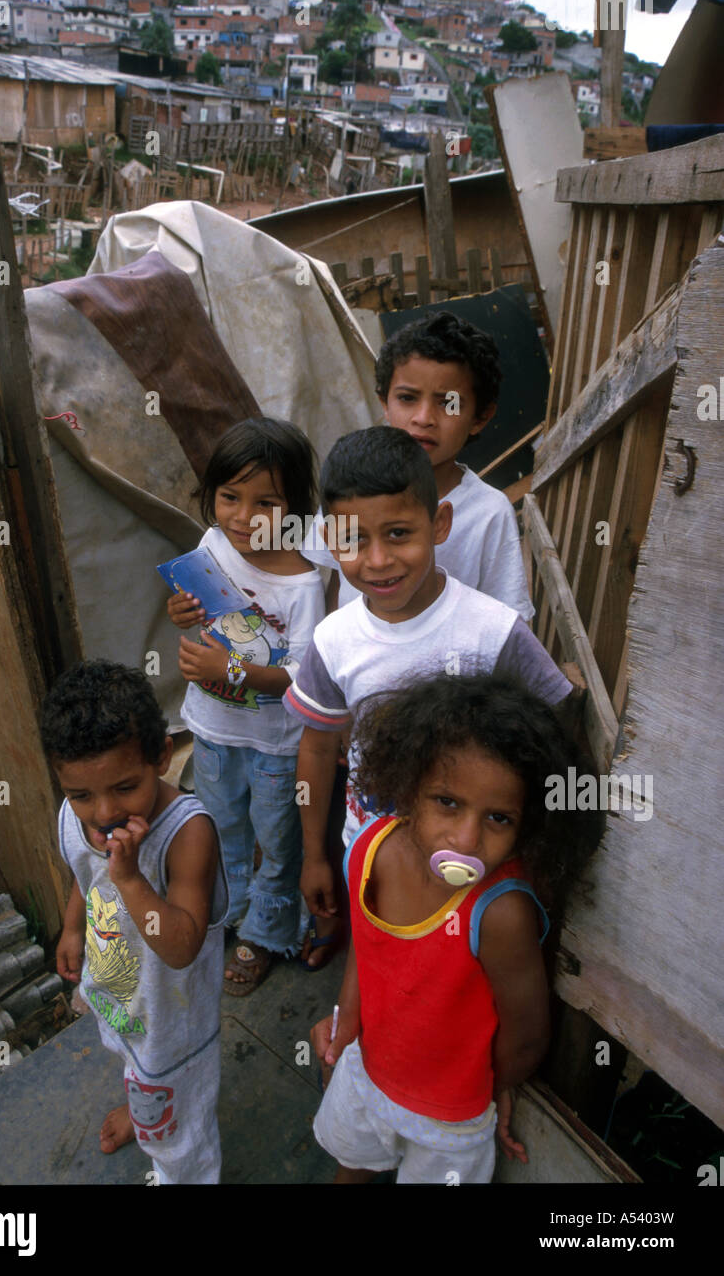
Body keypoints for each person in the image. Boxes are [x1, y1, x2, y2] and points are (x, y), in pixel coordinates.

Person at [285, 426, 574, 958]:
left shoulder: (494, 631)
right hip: (368, 856)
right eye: (354, 540)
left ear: (439, 523)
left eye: (398, 533)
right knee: (381, 974)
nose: (377, 560)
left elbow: (553, 737)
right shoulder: (333, 641)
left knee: (461, 988)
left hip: (475, 865)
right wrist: (315, 855)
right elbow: (319, 747)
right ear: (330, 540)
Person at [311, 672, 602, 1183]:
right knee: (351, 1166)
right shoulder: (369, 850)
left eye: (498, 818)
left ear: (528, 823)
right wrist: (347, 1020)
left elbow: (527, 1034)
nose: (467, 838)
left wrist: (490, 1088)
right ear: (408, 787)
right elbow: (368, 945)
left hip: (449, 1120)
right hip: (364, 1073)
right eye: (447, 802)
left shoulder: (500, 911)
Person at [43, 659, 228, 1185]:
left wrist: (129, 878)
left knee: (178, 1132)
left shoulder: (187, 834)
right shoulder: (75, 812)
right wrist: (73, 927)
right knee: (131, 1061)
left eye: (125, 787)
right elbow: (83, 872)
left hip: (172, 1016)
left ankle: (180, 1169)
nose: (103, 812)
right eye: (81, 795)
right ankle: (143, 1105)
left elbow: (182, 947)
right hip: (121, 992)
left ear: (163, 757)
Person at [166, 417, 325, 994]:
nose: (242, 516)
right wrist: (179, 614)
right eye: (230, 496)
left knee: (276, 840)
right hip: (212, 728)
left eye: (265, 502)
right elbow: (196, 611)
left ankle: (265, 932)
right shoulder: (211, 545)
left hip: (275, 747)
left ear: (294, 508)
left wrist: (228, 669)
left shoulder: (303, 586)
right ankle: (228, 915)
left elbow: (299, 680)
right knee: (222, 827)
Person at [304, 308, 533, 621]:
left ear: (480, 416)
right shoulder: (350, 488)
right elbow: (334, 588)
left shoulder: (489, 513)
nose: (423, 418)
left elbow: (509, 623)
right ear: (384, 403)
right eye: (408, 398)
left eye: (447, 403)